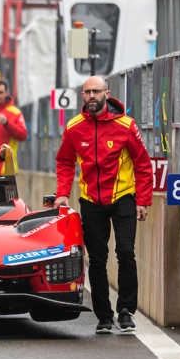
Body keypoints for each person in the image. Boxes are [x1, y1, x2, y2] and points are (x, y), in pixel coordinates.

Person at [54, 76, 152, 335]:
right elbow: (65, 161)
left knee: (126, 252)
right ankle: (104, 316)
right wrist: (62, 193)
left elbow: (143, 164)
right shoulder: (74, 127)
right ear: (82, 96)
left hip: (123, 197)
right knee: (96, 259)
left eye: (96, 91)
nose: (91, 96)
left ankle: (126, 310)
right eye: (87, 92)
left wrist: (143, 200)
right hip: (91, 201)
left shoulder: (126, 125)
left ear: (107, 93)